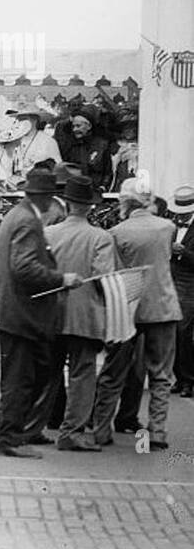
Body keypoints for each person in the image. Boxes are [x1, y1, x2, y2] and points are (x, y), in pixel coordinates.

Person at [0, 168, 82, 458]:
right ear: (45, 198)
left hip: (9, 310)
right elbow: (24, 267)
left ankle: (8, 429)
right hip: (22, 313)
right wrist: (61, 279)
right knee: (22, 378)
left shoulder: (16, 216)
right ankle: (11, 440)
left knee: (18, 376)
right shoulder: (28, 221)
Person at [91, 178, 180, 451]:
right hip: (163, 307)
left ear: (125, 203)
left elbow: (113, 271)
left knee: (114, 371)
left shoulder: (116, 232)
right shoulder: (167, 227)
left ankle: (101, 429)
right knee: (161, 374)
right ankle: (157, 432)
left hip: (128, 307)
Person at [40, 175, 116, 451]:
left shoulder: (48, 233)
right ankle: (71, 431)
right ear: (90, 207)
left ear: (68, 204)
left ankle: (38, 424)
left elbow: (40, 273)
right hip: (85, 315)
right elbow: (103, 277)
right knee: (82, 373)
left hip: (51, 313)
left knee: (49, 372)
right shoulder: (101, 237)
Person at [171, 185, 194, 399]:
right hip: (173, 279)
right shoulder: (171, 223)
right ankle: (179, 377)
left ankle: (188, 379)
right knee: (174, 332)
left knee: (182, 331)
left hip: (190, 282)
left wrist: (184, 253)